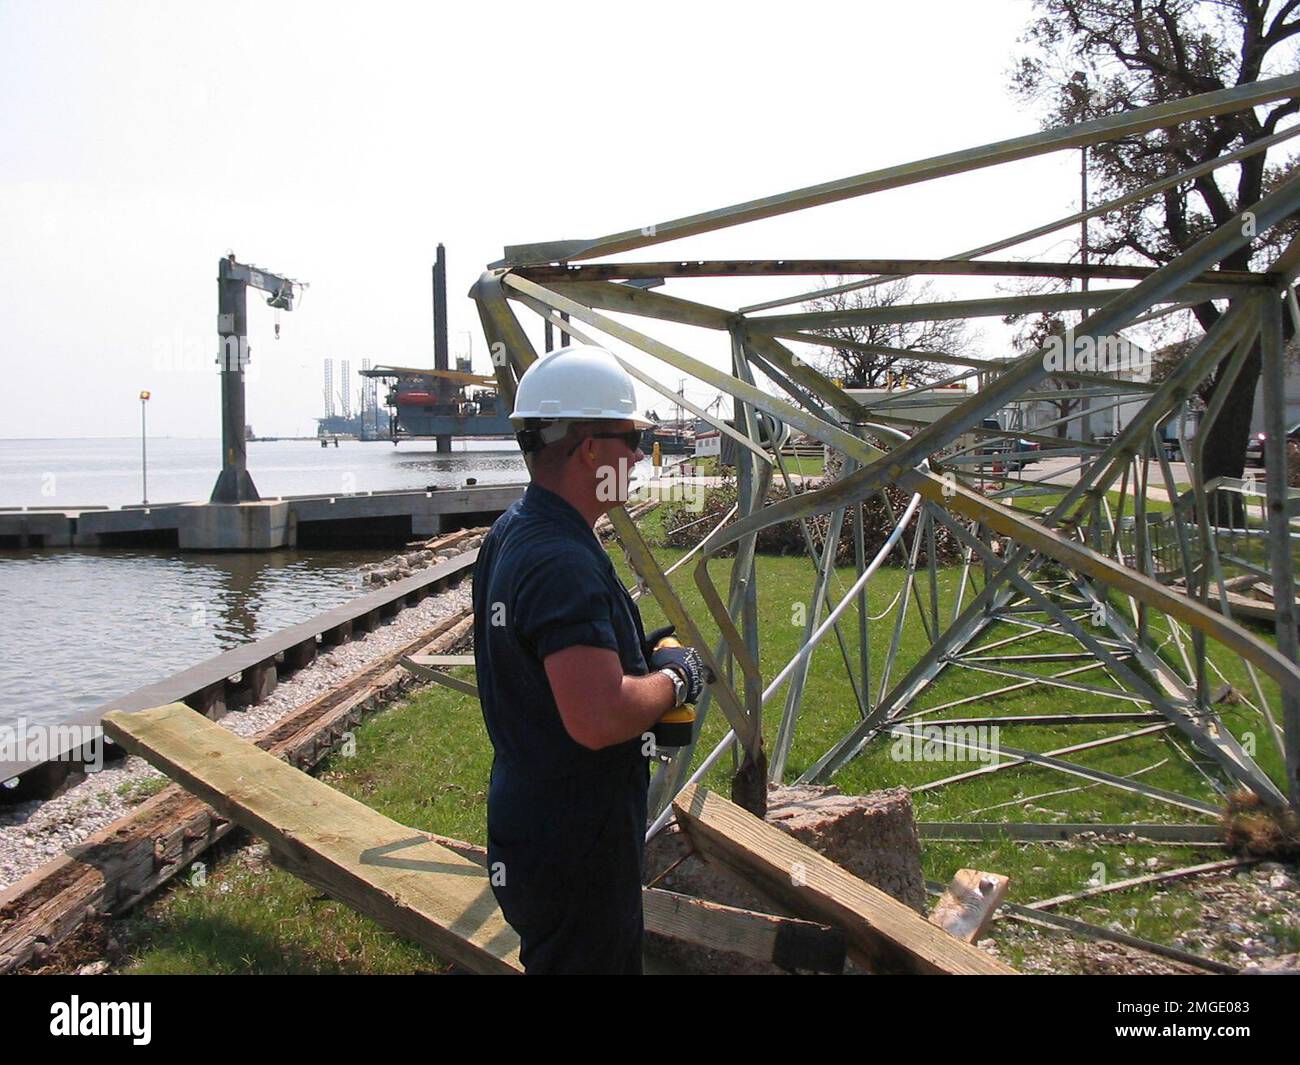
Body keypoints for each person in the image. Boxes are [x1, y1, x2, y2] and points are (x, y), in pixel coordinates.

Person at [472, 344, 709, 974]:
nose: (639, 456)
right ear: (589, 450)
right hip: (576, 844)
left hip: (534, 822)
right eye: (632, 438)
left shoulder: (515, 530)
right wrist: (675, 679)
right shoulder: (561, 559)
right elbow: (598, 718)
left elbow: (546, 672)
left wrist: (633, 655)